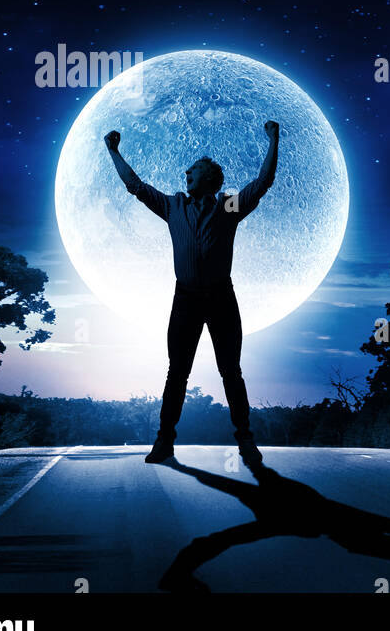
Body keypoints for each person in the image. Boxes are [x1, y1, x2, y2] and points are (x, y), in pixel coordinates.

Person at [104, 120, 280, 466]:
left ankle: (245, 440)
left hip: (221, 299)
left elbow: (263, 183)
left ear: (212, 180)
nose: (187, 171)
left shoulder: (228, 207)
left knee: (231, 370)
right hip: (185, 299)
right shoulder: (174, 206)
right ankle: (164, 442)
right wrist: (113, 151)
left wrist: (274, 139)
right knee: (177, 371)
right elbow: (135, 186)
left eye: (195, 170)